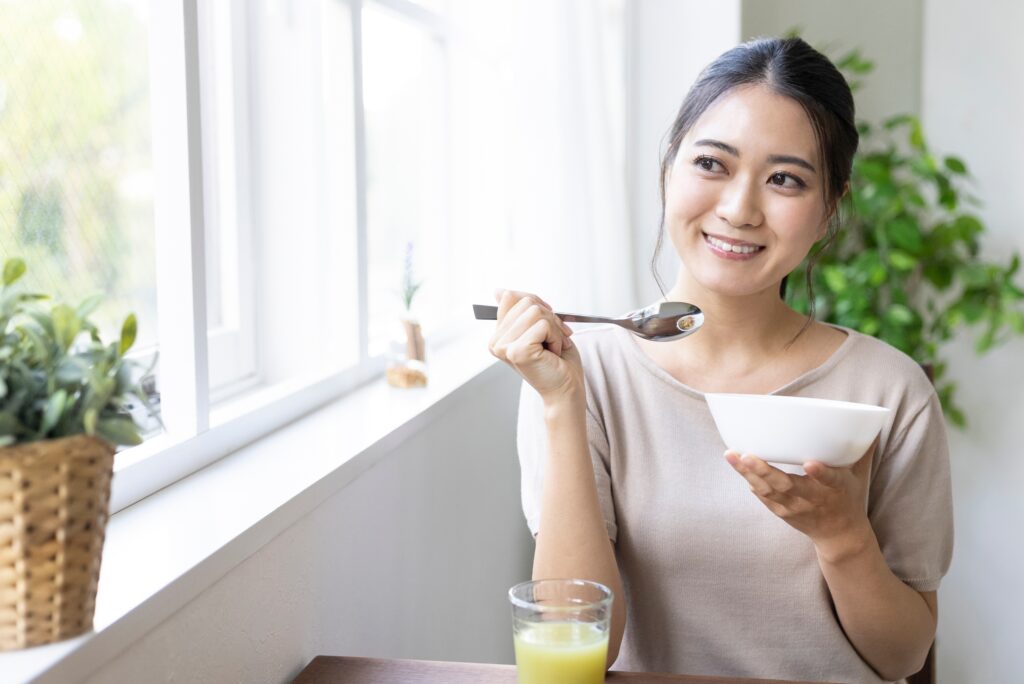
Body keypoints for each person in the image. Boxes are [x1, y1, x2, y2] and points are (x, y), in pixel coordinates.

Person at [487, 37, 953, 683]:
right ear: (667, 170)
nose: (739, 209)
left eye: (785, 179)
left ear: (829, 210)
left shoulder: (889, 390)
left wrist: (844, 537)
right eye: (712, 163)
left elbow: (902, 657)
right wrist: (562, 405)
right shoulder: (577, 371)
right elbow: (577, 646)